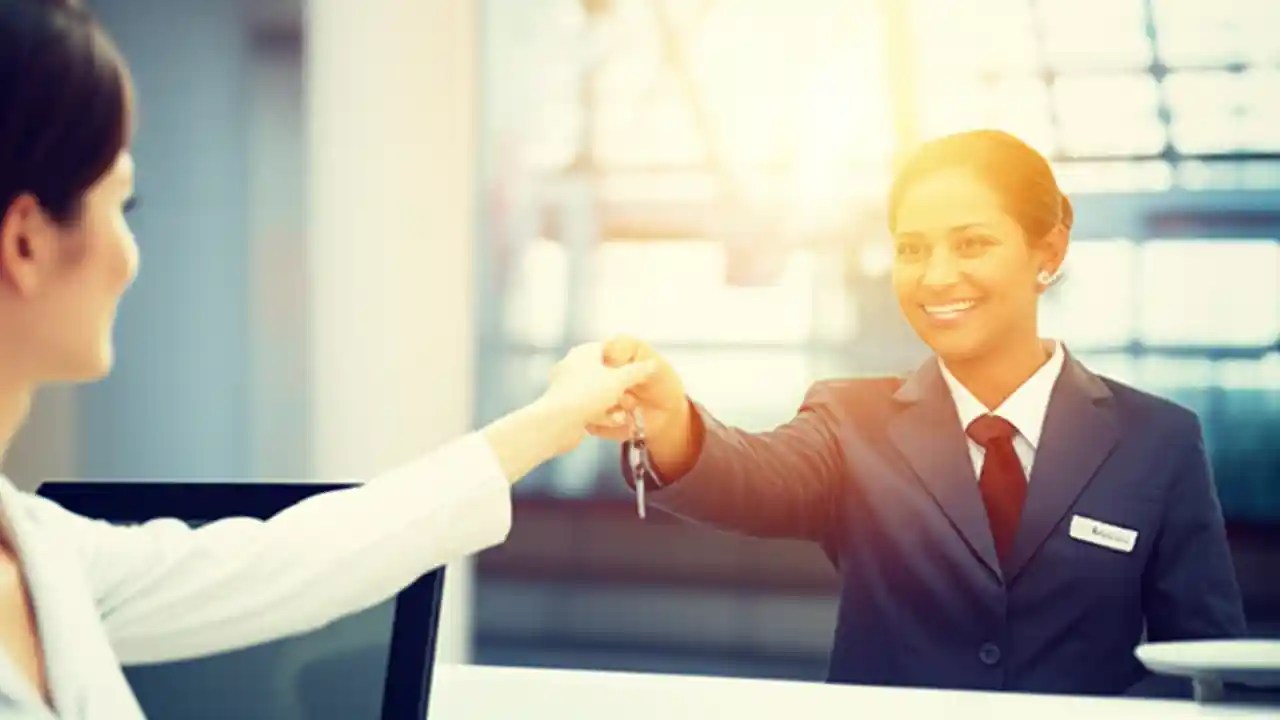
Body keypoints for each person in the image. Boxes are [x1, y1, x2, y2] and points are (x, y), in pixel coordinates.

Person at [0, 1, 656, 717]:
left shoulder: (37, 551)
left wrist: (550, 420)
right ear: (27, 242)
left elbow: (282, 565)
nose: (130, 260)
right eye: (122, 204)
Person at [592, 129, 1247, 697]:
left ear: (1047, 253)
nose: (935, 277)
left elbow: (1205, 666)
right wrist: (670, 422)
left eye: (971, 244)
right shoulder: (851, 423)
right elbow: (754, 476)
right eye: (912, 248)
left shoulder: (1157, 442)